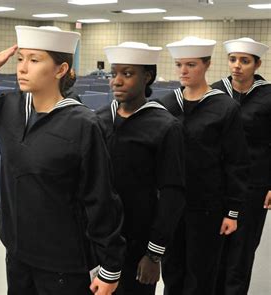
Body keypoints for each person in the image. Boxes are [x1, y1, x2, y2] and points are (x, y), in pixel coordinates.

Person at [0, 26, 125, 295]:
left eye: (34, 60)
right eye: (20, 59)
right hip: (17, 253)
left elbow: (101, 198)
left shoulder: (83, 124)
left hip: (63, 263)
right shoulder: (9, 108)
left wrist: (110, 267)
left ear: (60, 70)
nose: (22, 68)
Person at [157, 36, 250, 295]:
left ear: (207, 65)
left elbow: (237, 162)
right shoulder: (166, 105)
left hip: (208, 204)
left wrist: (233, 211)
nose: (183, 71)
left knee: (201, 274)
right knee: (172, 271)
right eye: (179, 65)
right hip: (173, 205)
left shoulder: (223, 107)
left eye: (191, 65)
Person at [96, 42, 186, 295]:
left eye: (127, 73)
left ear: (147, 76)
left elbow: (173, 193)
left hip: (138, 239)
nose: (117, 81)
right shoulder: (99, 119)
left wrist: (154, 254)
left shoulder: (165, 126)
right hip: (98, 237)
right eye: (114, 73)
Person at [211, 37, 271, 295]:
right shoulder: (215, 93)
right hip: (218, 184)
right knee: (215, 250)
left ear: (257, 64)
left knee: (242, 251)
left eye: (244, 61)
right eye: (233, 59)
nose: (237, 66)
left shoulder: (268, 97)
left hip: (254, 185)